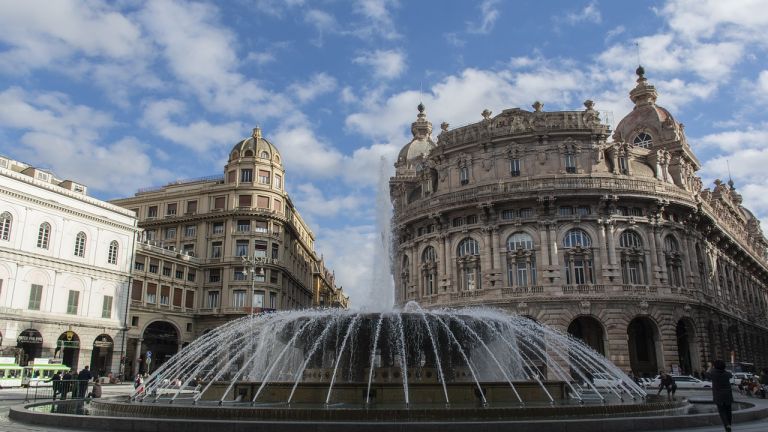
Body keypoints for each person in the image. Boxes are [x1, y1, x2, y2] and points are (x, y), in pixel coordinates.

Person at [710, 359, 734, 432]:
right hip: (728, 395)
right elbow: (731, 375)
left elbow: (706, 373)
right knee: (728, 411)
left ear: (715, 366)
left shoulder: (713, 373)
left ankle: (727, 425)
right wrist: (723, 369)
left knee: (722, 411)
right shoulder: (727, 373)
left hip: (719, 396)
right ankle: (729, 425)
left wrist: (710, 367)